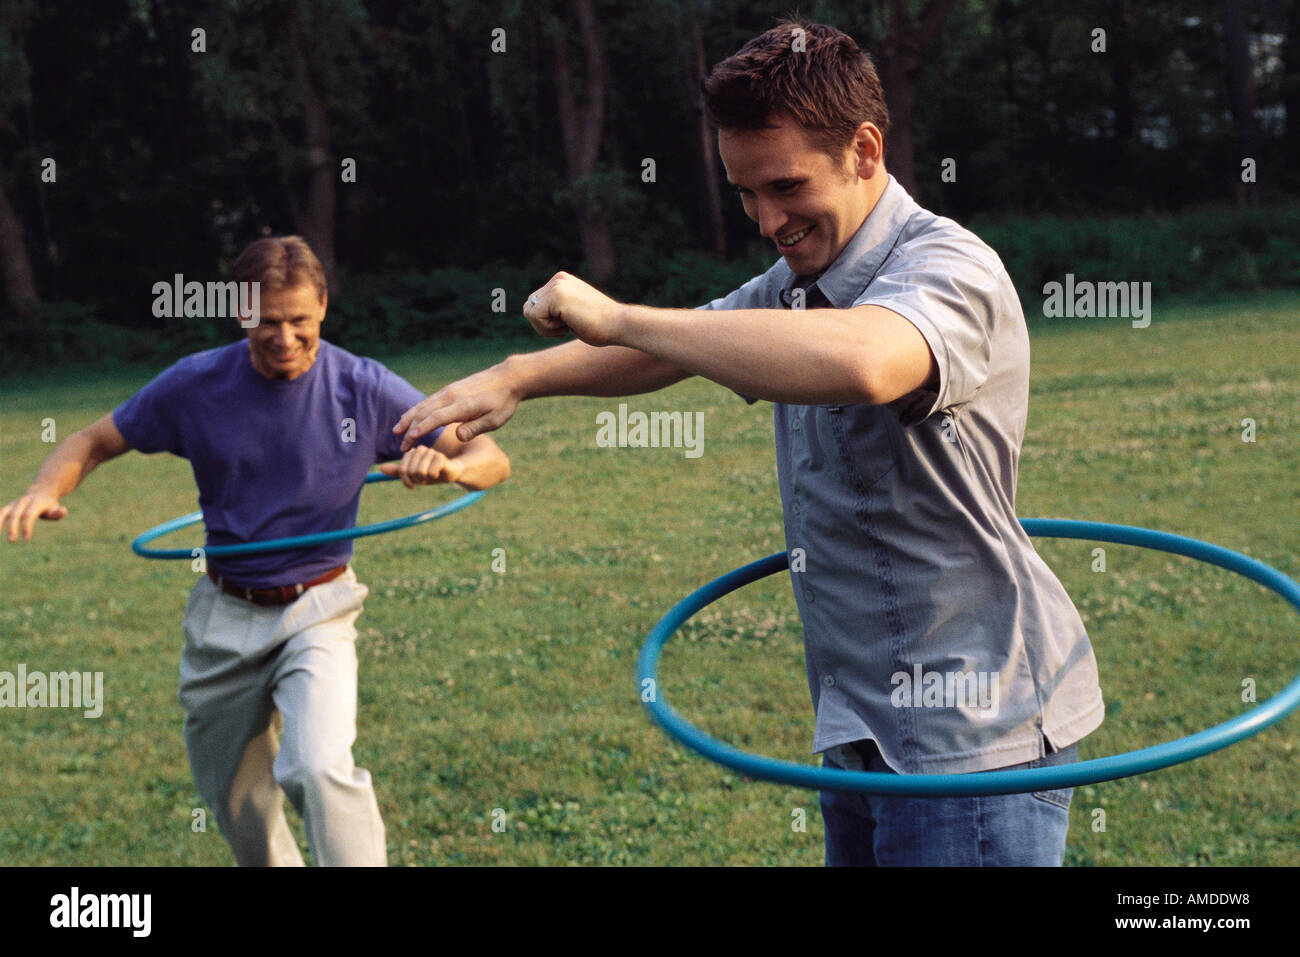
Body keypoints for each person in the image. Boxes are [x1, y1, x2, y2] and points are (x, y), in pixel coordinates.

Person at [393, 19, 1103, 866]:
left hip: (972, 733)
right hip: (862, 724)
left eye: (786, 186)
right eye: (744, 193)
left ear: (866, 150)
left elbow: (872, 361)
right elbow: (685, 340)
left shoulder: (951, 266)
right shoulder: (799, 284)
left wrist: (617, 311)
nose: (767, 219)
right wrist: (519, 376)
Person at [1, 235, 510, 867]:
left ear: (323, 305)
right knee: (239, 803)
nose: (286, 338)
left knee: (319, 768)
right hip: (224, 612)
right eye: (267, 321)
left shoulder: (364, 388)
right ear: (240, 312)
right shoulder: (196, 385)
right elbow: (92, 440)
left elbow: (490, 456)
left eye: (300, 320)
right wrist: (42, 488)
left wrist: (452, 468)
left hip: (319, 604)